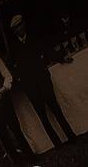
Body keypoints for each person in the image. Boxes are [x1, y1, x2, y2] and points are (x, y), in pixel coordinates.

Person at [6, 14, 76, 148]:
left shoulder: (34, 38)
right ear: (14, 31)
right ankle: (57, 143)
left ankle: (70, 136)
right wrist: (19, 79)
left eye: (20, 24)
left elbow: (48, 51)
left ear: (24, 24)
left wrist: (61, 58)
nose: (19, 28)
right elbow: (10, 68)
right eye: (16, 27)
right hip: (30, 86)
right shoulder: (13, 48)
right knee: (43, 116)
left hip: (43, 79)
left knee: (56, 109)